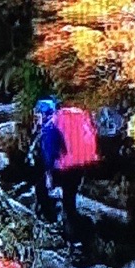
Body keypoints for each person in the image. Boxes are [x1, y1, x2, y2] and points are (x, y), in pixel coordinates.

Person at [28, 98, 83, 234]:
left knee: (41, 189)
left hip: (61, 168)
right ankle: (74, 232)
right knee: (70, 200)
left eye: (37, 114)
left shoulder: (49, 127)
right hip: (77, 166)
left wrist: (48, 175)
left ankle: (51, 223)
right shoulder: (64, 122)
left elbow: (49, 154)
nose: (36, 118)